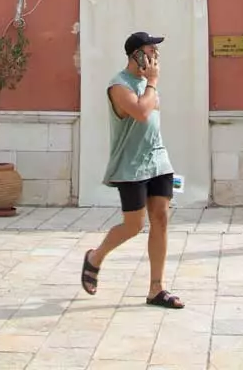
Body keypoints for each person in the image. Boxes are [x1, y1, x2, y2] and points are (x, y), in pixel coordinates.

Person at [80, 32, 182, 309]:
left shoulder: (148, 85)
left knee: (160, 218)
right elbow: (140, 111)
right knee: (134, 225)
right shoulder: (119, 85)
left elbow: (149, 109)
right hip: (131, 164)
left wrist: (150, 86)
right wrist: (152, 83)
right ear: (136, 54)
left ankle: (156, 289)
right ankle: (95, 257)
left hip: (158, 159)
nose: (156, 56)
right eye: (151, 50)